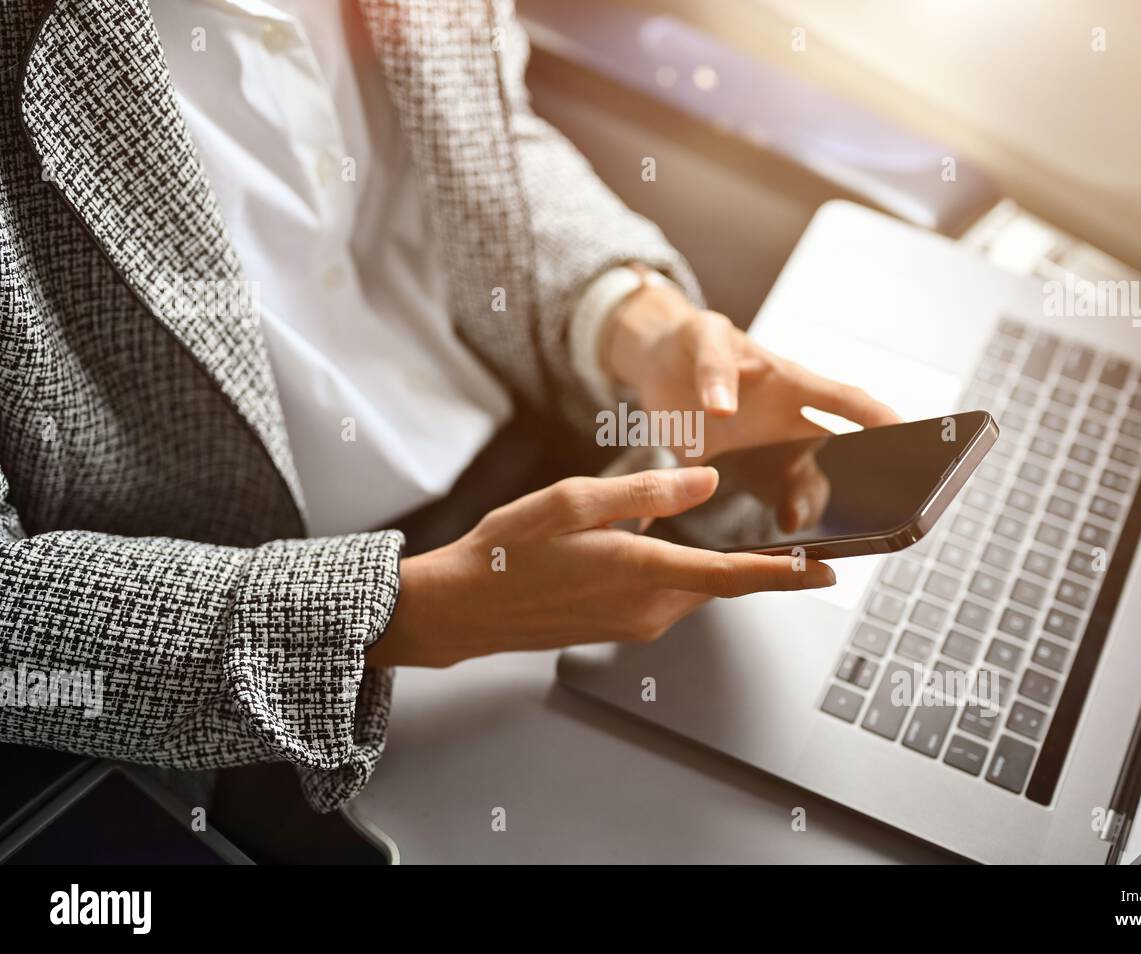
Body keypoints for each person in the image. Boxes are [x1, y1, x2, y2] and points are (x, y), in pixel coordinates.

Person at [0, 0, 895, 812]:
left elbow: (487, 134)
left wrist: (635, 324)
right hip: (277, 658)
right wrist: (414, 613)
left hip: (545, 449)